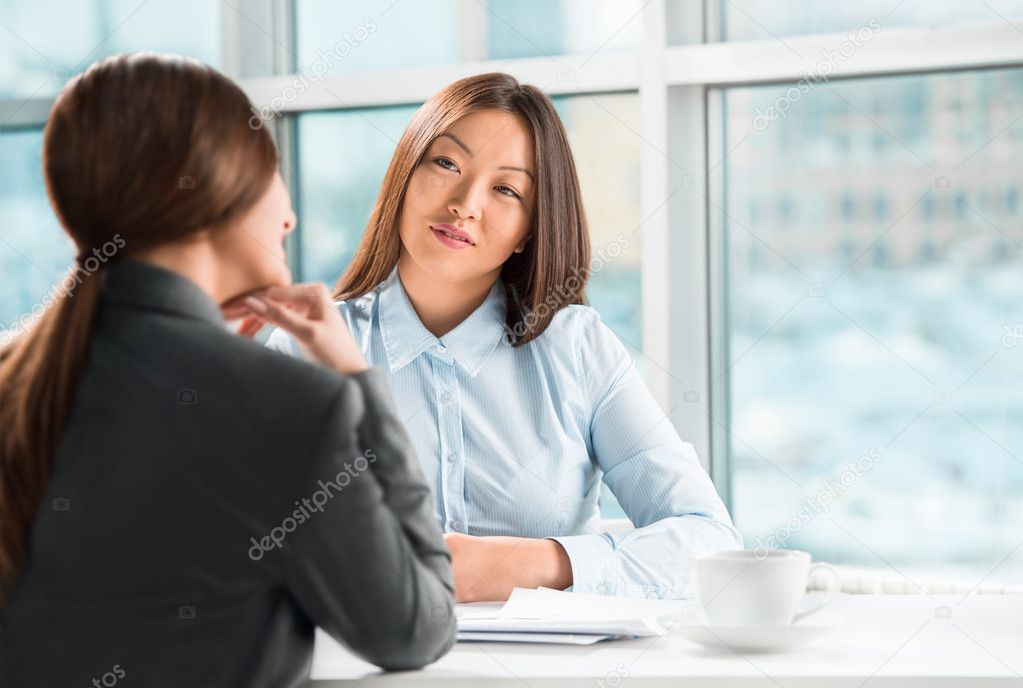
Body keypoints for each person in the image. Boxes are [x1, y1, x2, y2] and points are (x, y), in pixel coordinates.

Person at [0, 53, 455, 687]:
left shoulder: (17, 375)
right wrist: (358, 384)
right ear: (217, 191)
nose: (289, 215)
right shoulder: (293, 407)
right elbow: (416, 627)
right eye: (272, 172)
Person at [255, 72, 742, 602]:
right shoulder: (307, 349)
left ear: (529, 230)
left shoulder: (577, 349)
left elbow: (709, 542)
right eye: (446, 164)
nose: (466, 203)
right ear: (404, 175)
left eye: (506, 189)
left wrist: (527, 565)